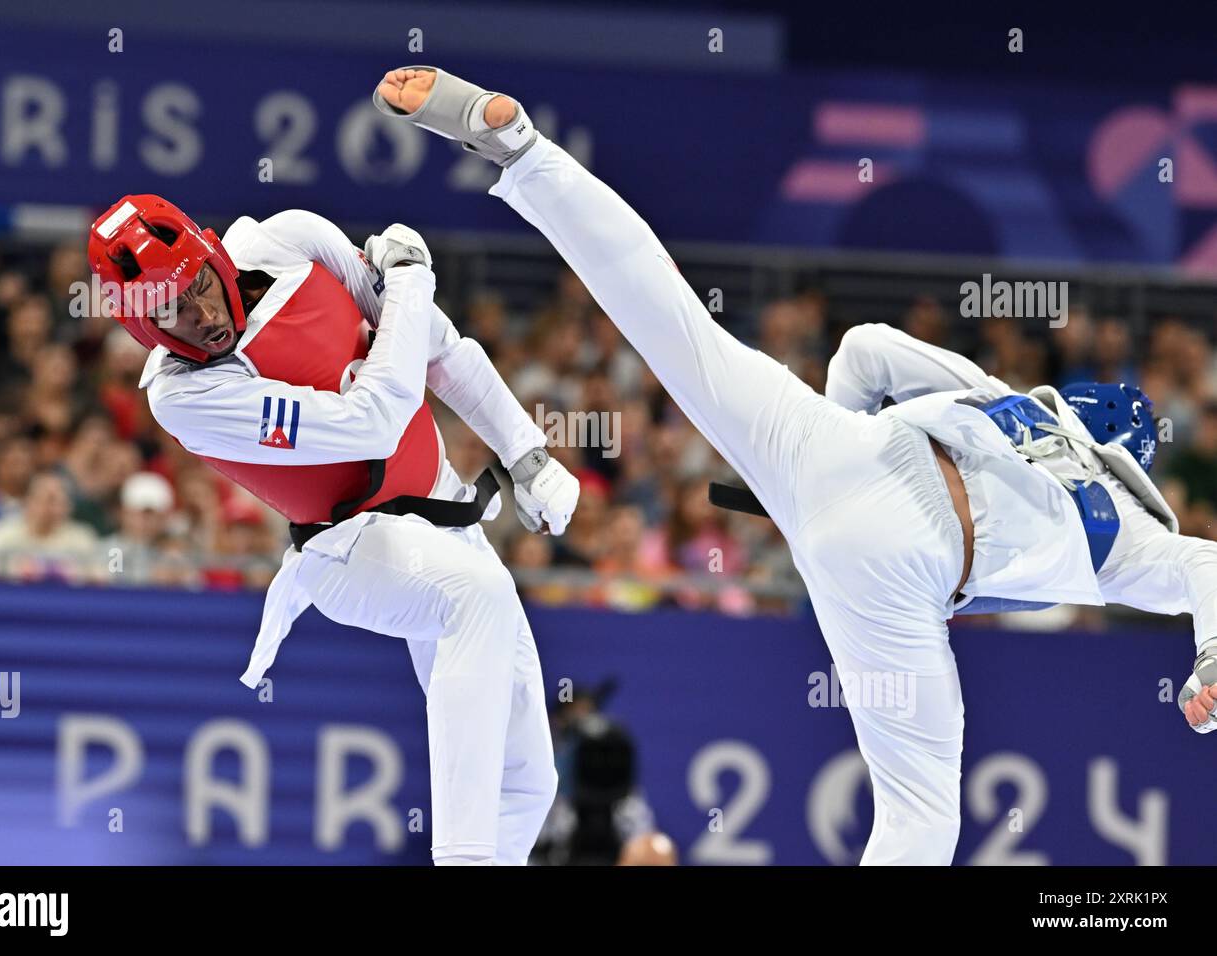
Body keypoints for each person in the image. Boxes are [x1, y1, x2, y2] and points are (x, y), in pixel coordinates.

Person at [372, 65, 1217, 865]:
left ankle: (521, 145)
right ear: (1124, 462)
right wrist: (1210, 660)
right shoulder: (1121, 530)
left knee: (672, 321)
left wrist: (817, 482)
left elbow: (866, 347)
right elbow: (1206, 568)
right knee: (921, 820)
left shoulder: (1012, 398)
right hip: (907, 562)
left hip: (844, 451)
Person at [87, 192, 580, 866]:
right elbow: (372, 419)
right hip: (350, 547)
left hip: (450, 514)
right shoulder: (186, 396)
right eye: (171, 311)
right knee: (474, 600)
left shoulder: (292, 239)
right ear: (142, 328)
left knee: (528, 781)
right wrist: (408, 278)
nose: (200, 316)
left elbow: (433, 346)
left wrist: (527, 455)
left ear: (211, 251)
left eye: (199, 284)